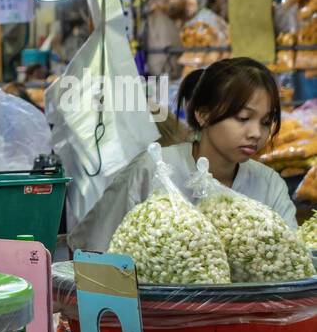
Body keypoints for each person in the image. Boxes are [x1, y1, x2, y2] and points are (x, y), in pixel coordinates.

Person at [69, 58, 296, 253]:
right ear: (203, 115)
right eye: (243, 118)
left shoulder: (268, 185)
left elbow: (293, 259)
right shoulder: (153, 169)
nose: (256, 133)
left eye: (266, 122)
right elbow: (93, 250)